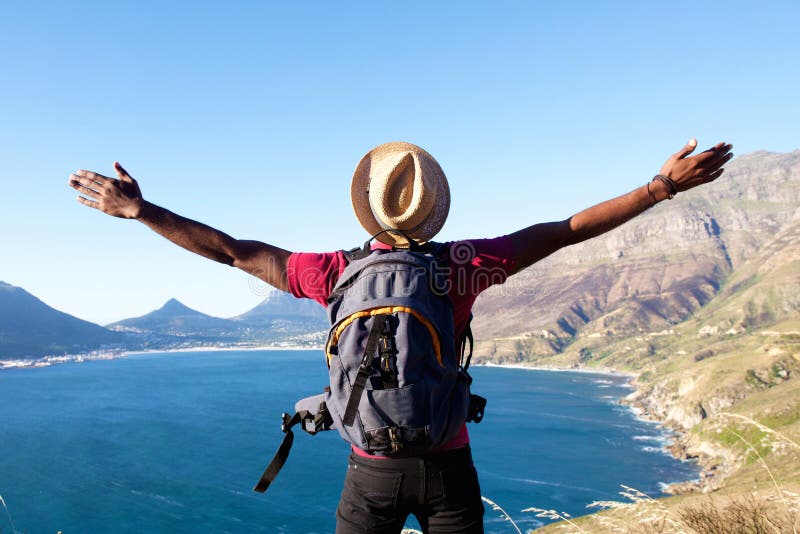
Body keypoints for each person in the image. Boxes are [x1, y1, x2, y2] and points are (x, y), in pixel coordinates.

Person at [68, 139, 733, 533]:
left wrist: (141, 209)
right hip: (449, 469)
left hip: (370, 475)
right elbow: (565, 230)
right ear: (433, 208)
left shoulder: (329, 273)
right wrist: (660, 187)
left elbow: (233, 252)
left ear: (369, 208)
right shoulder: (460, 267)